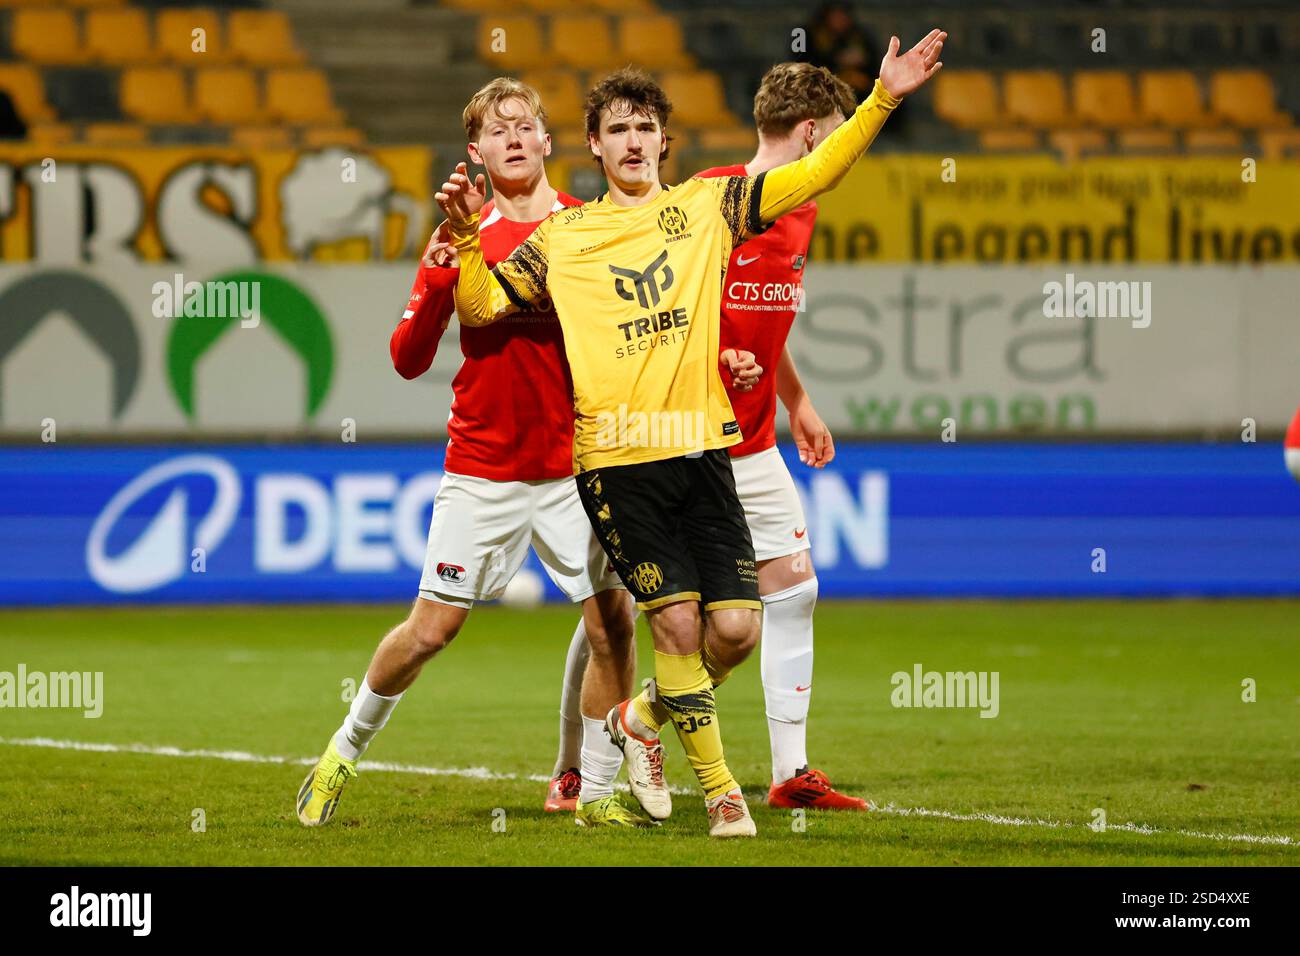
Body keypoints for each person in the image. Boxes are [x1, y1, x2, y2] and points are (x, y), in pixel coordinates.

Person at [438, 28, 944, 836]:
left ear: (664, 143)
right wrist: (466, 240)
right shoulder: (563, 238)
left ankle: (641, 722)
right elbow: (482, 307)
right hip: (618, 462)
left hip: (706, 452)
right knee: (667, 623)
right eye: (619, 129)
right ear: (594, 146)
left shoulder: (707, 208)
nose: (634, 141)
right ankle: (723, 798)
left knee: (737, 629)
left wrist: (883, 98)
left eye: (647, 127)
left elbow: (815, 170)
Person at [554, 62, 871, 813]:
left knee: (790, 589)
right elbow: (664, 312)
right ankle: (586, 766)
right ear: (815, 133)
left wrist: (799, 402)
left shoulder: (805, 211)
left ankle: (780, 769)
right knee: (620, 610)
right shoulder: (711, 199)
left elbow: (768, 325)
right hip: (666, 437)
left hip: (752, 439)